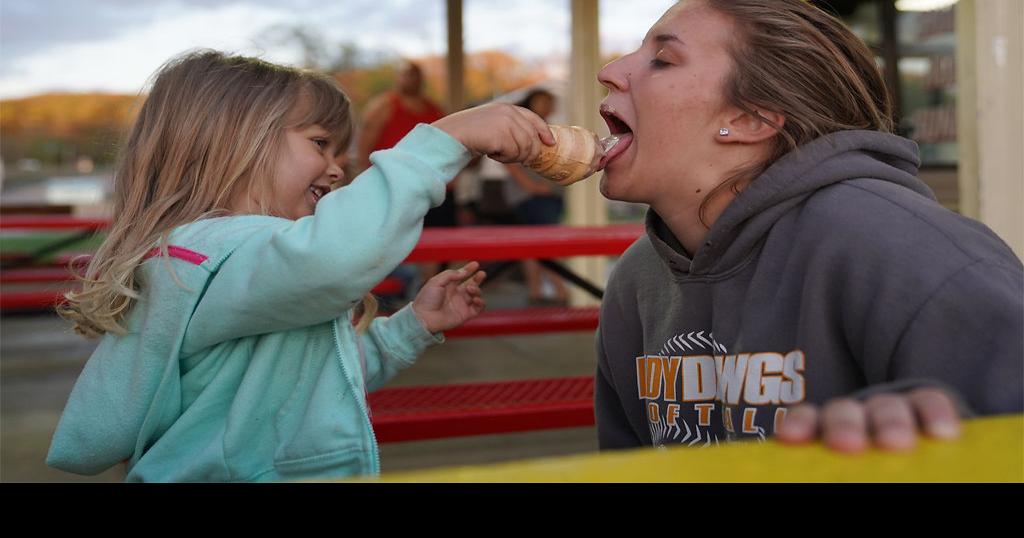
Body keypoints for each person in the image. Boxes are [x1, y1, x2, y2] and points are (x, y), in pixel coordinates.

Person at [46, 50, 554, 482]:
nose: (337, 168)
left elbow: (318, 380)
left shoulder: (247, 262)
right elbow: (334, 257)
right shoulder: (210, 254)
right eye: (319, 144)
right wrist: (442, 142)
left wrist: (411, 328)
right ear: (236, 141)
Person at [593, 0, 1023, 454]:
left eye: (663, 59)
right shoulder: (637, 281)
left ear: (749, 119)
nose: (610, 70)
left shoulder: (912, 255)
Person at [357, 61, 453, 282]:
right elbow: (364, 148)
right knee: (392, 241)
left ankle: (427, 286)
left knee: (437, 243)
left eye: (415, 75)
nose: (411, 80)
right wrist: (365, 184)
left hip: (432, 187)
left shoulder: (434, 109)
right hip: (392, 187)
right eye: (406, 75)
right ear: (398, 78)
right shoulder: (383, 106)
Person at [501, 88, 570, 305]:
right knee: (546, 242)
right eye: (542, 102)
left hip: (548, 195)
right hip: (529, 197)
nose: (546, 107)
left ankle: (536, 292)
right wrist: (531, 186)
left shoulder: (551, 130)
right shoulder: (522, 128)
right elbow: (508, 162)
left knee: (532, 244)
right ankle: (559, 291)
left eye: (549, 102)